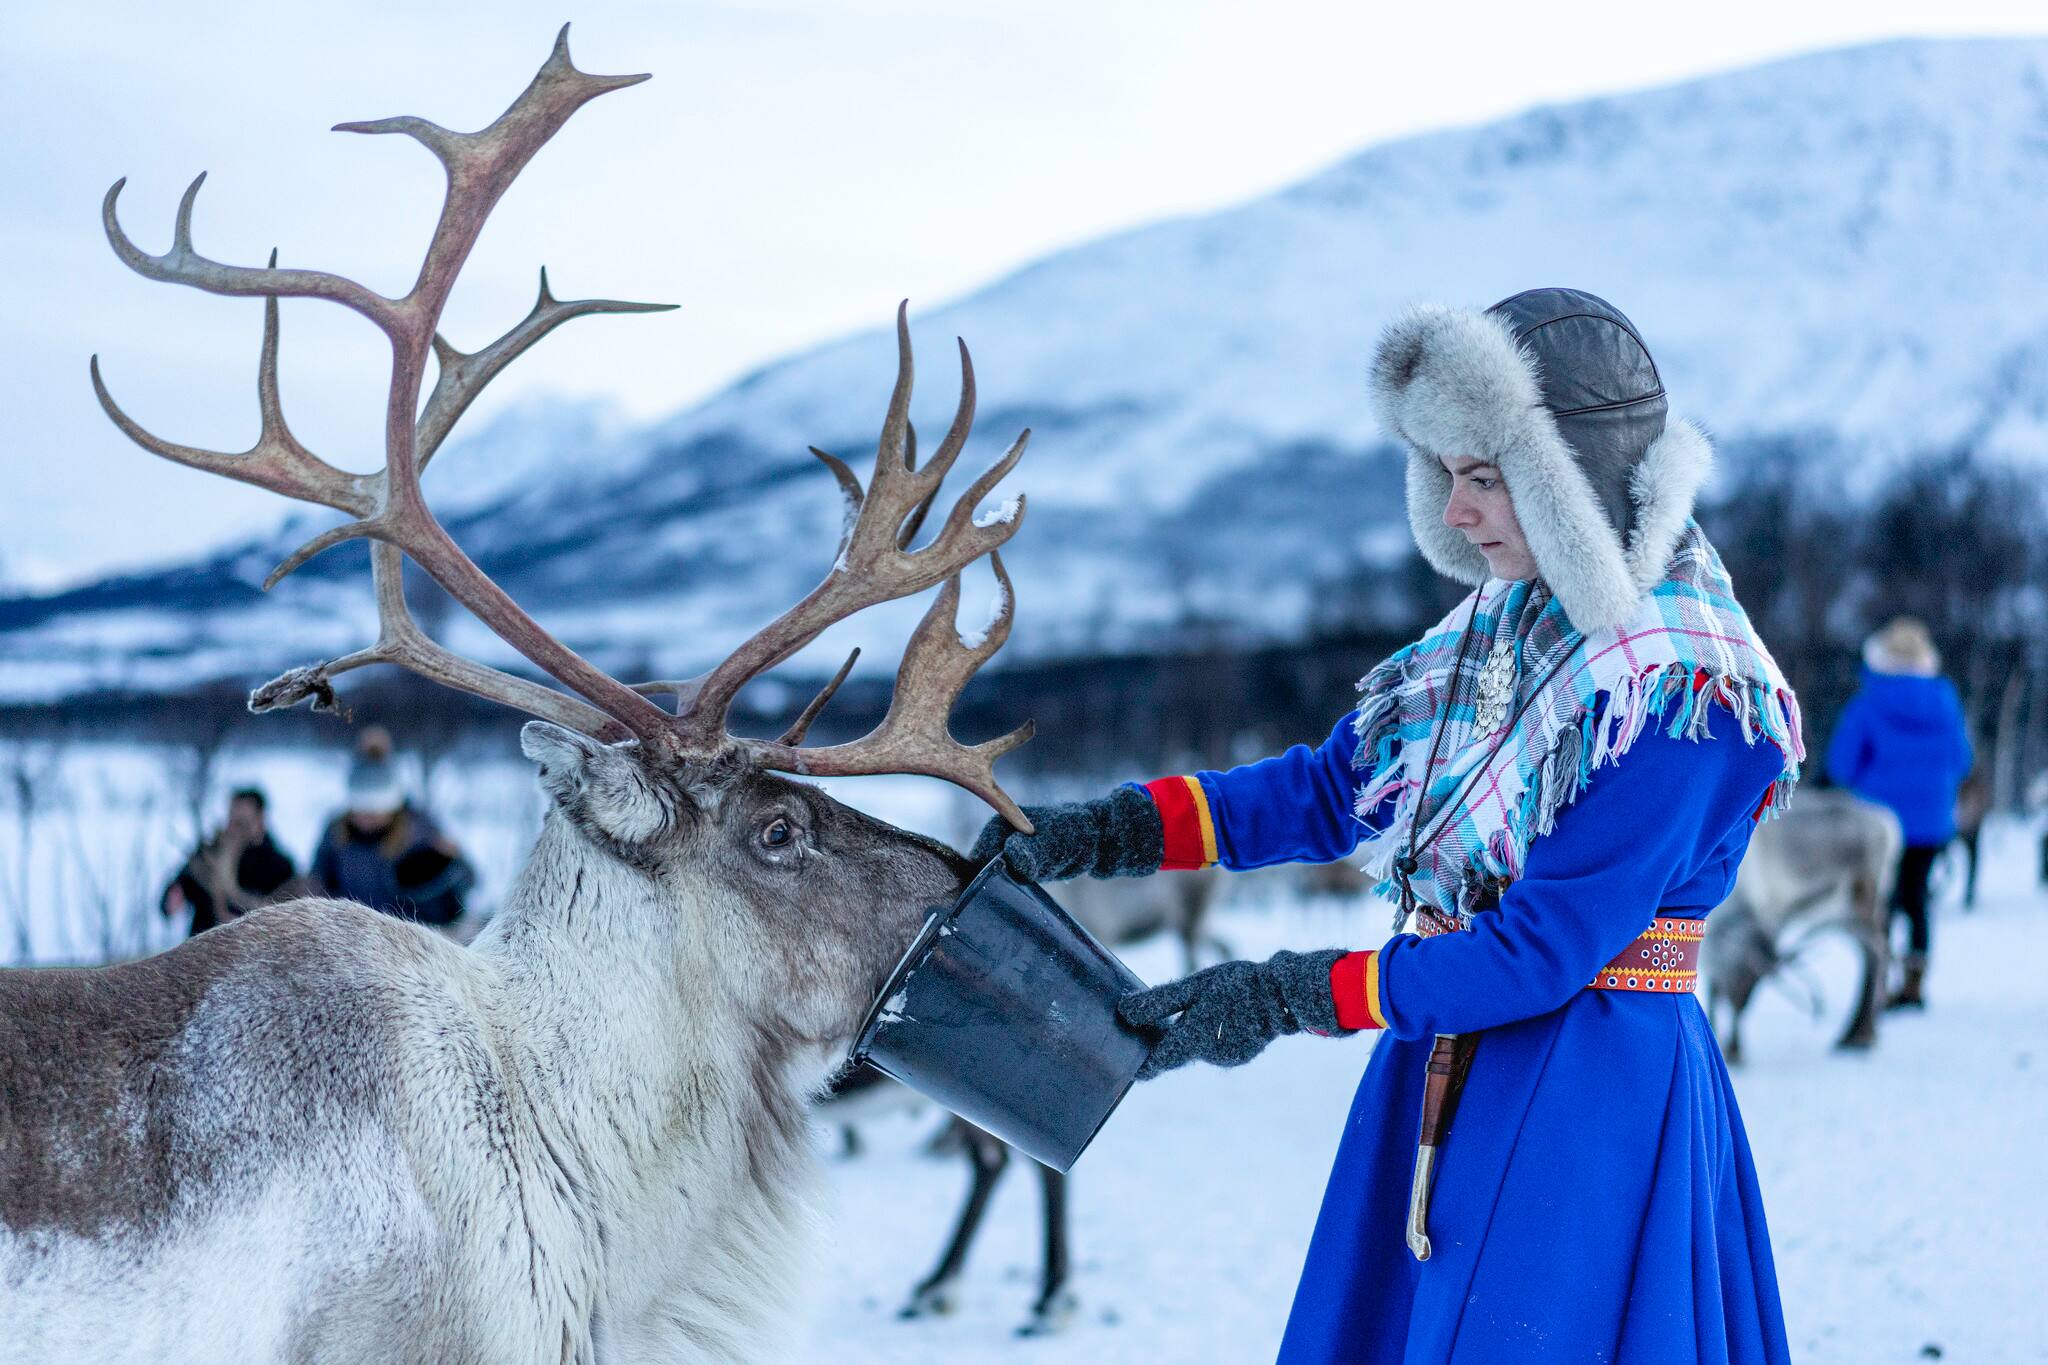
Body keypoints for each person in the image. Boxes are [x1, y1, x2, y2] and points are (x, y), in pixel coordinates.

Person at [976, 289, 1803, 1363]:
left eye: (1484, 478)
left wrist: (1284, 994)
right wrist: (1112, 831)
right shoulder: (1504, 623)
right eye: (1444, 477)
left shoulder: (1684, 695)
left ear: (1572, 481)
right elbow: (1333, 789)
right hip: (1445, 1047)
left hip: (1583, 1097)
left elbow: (1540, 952)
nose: (1454, 514)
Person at [1825, 617, 1973, 1007]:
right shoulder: (1946, 700)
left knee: (1881, 901)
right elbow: (1961, 759)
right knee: (1918, 897)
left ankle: (1876, 981)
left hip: (1876, 823)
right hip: (1933, 820)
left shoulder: (1869, 703)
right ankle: (1914, 982)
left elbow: (1842, 765)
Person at [311, 728, 476, 926]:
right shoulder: (336, 832)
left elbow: (467, 881)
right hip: (351, 938)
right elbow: (317, 884)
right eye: (362, 807)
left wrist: (454, 862)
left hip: (409, 941)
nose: (368, 816)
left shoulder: (419, 827)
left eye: (376, 808)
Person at [160, 787, 299, 936]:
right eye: (231, 817)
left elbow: (289, 917)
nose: (234, 825)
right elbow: (184, 883)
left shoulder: (280, 866)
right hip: (203, 945)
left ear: (260, 819)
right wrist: (174, 894)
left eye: (242, 821)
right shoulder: (209, 855)